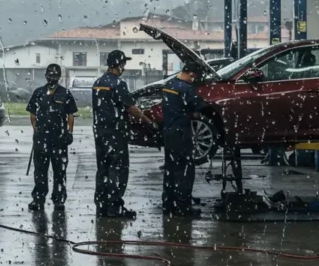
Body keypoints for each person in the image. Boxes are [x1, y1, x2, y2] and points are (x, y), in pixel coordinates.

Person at [93, 50, 155, 219]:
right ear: (119, 65)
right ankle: (114, 208)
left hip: (100, 134)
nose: (124, 68)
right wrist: (148, 122)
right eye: (123, 64)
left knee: (103, 170)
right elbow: (131, 108)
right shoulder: (118, 84)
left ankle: (101, 206)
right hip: (115, 135)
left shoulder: (98, 83)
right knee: (117, 170)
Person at [26, 64, 78, 211]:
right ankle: (38, 199)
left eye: (55, 75)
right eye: (50, 74)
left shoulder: (65, 93)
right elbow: (32, 113)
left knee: (60, 172)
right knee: (40, 171)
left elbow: (70, 114)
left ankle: (59, 199)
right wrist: (35, 129)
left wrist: (70, 132)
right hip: (41, 139)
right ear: (46, 75)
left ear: (59, 77)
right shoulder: (38, 93)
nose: (52, 77)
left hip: (59, 140)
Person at [160, 63, 208, 217]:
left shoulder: (168, 84)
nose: (194, 80)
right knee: (185, 171)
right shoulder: (186, 89)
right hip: (181, 134)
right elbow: (198, 110)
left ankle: (168, 204)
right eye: (194, 77)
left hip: (168, 132)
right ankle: (183, 208)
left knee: (170, 170)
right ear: (190, 73)